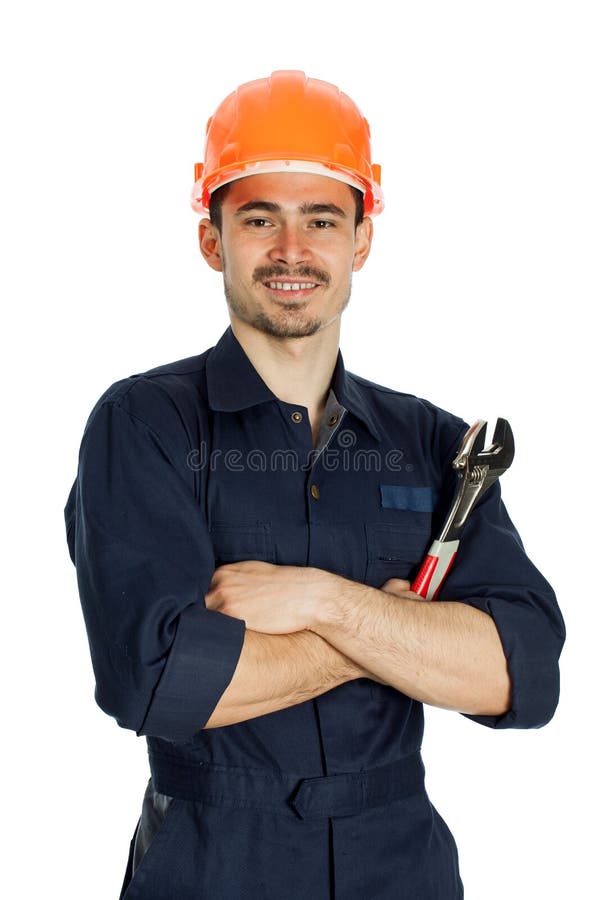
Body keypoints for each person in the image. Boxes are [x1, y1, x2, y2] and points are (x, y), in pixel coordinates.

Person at [64, 70, 565, 900]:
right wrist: (397, 636)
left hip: (402, 869)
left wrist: (325, 602)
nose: (292, 250)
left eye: (322, 220)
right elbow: (156, 680)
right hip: (212, 866)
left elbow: (523, 671)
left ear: (360, 242)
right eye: (260, 218)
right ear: (213, 240)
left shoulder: (435, 444)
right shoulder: (144, 426)